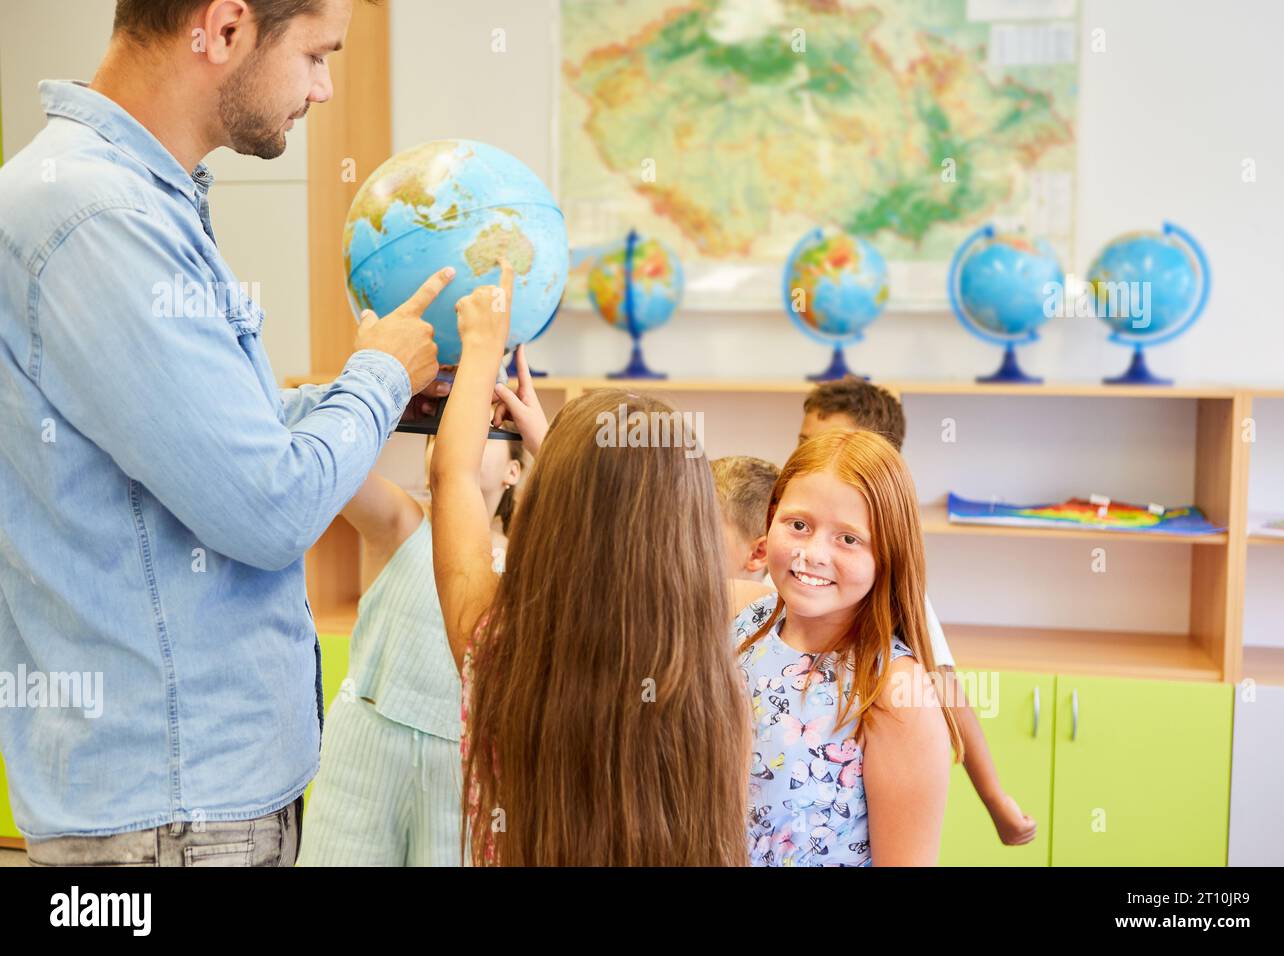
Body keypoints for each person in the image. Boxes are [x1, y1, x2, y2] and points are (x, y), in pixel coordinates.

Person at [0, 0, 449, 866]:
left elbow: (216, 436)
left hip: (179, 803)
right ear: (228, 26)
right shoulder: (102, 218)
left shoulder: (114, 198)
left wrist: (375, 396)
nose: (322, 89)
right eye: (316, 55)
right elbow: (270, 507)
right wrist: (377, 373)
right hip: (178, 813)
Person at [430, 268, 751, 866]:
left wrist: (481, 351)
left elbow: (452, 479)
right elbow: (635, 544)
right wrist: (570, 464)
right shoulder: (710, 680)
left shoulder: (493, 648)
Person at [799, 377, 1038, 847]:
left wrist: (994, 798)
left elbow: (942, 681)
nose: (813, 460)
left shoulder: (883, 584)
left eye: (836, 448)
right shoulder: (786, 546)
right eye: (805, 443)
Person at [734, 428, 961, 866]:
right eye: (798, 526)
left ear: (888, 554)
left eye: (849, 539)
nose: (813, 554)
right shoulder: (744, 619)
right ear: (770, 520)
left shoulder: (895, 695)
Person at [298, 434, 525, 866]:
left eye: (489, 432)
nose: (461, 434)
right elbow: (334, 462)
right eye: (442, 430)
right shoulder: (403, 522)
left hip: (462, 767)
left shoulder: (531, 561)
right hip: (363, 751)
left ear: (514, 472)